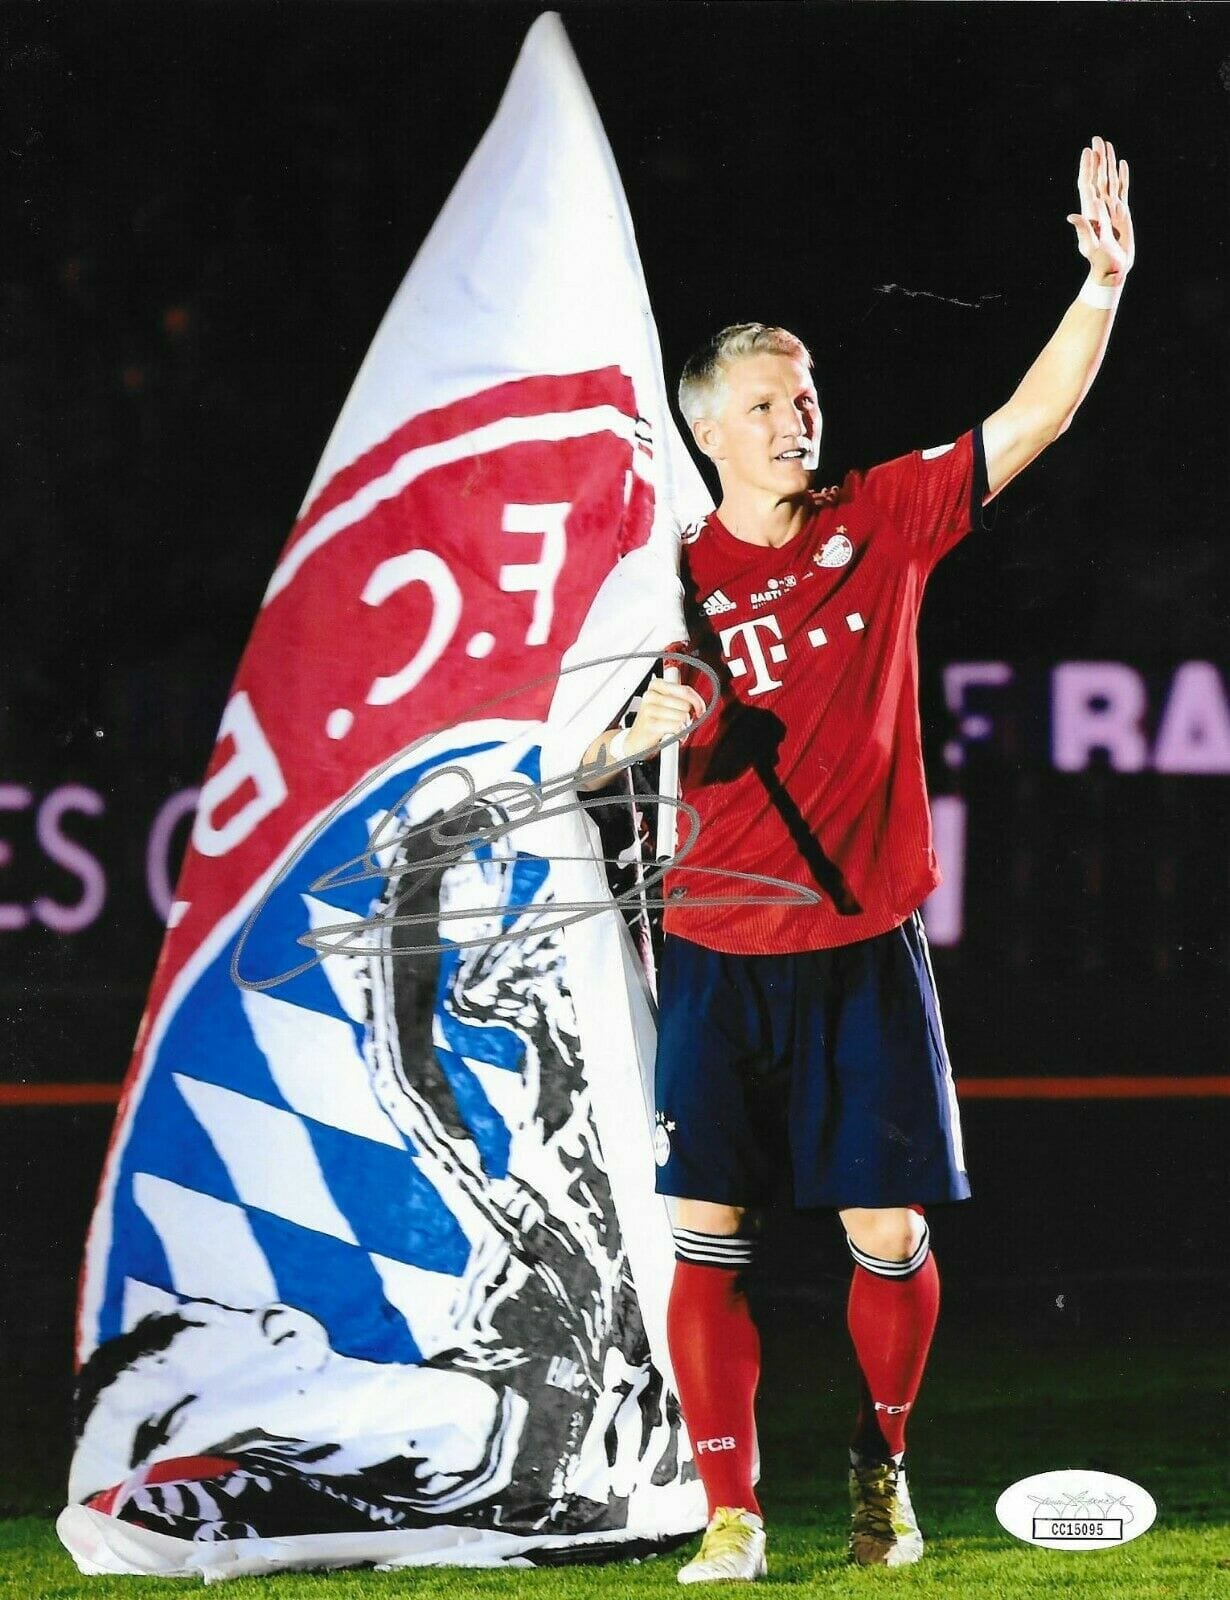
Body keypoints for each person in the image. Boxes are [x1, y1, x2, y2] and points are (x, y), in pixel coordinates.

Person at [579, 135, 1133, 1578]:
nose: (795, 418)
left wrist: (1100, 284)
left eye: (806, 394)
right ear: (708, 430)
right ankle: (729, 1513)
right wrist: (631, 724)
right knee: (705, 1233)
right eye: (766, 403)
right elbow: (560, 754)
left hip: (861, 945)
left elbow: (1030, 419)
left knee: (883, 1234)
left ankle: (878, 1473)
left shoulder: (877, 524)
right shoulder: (657, 576)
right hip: (709, 950)